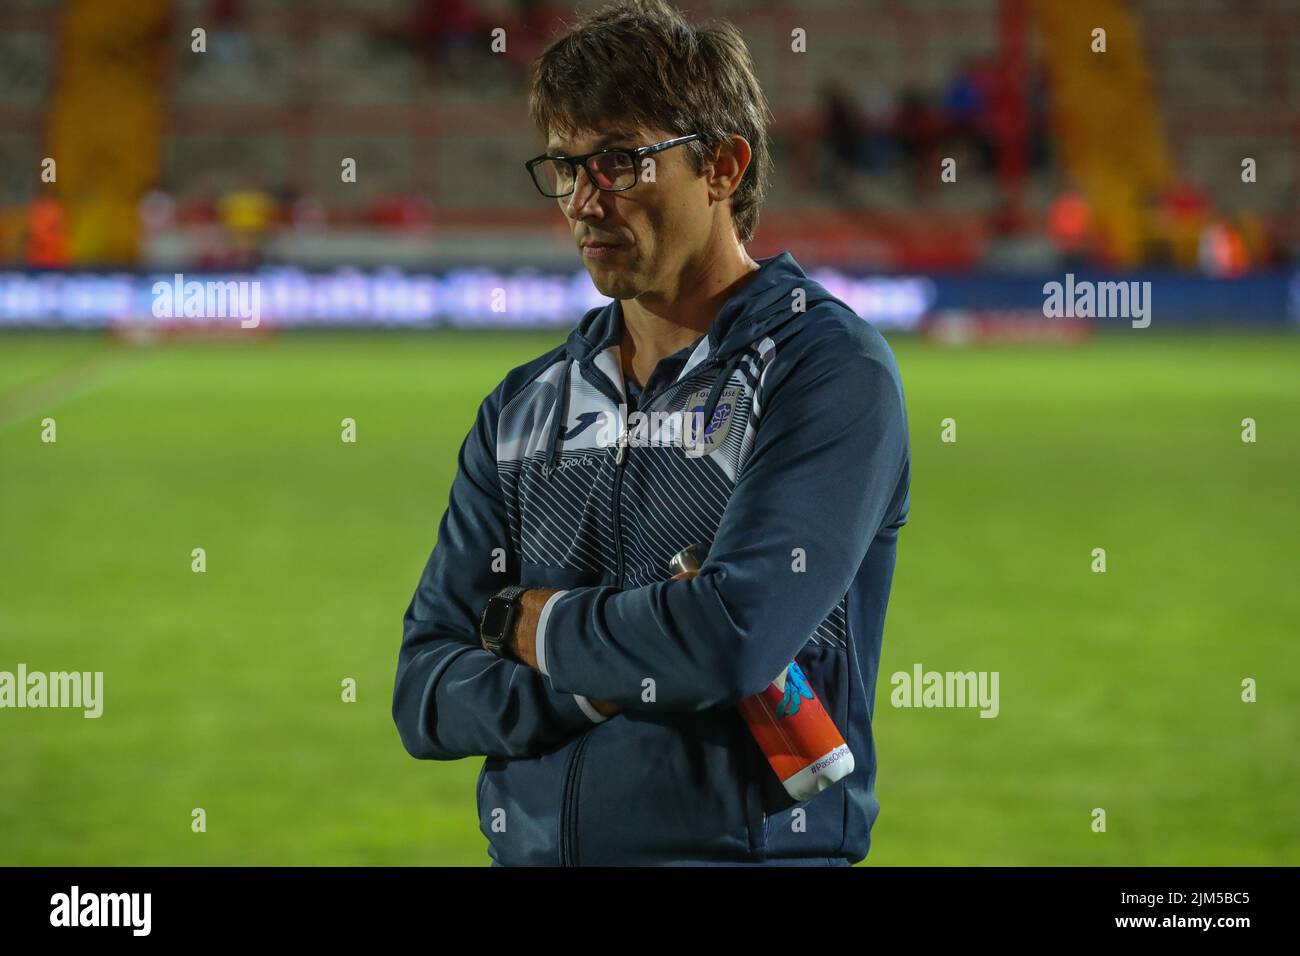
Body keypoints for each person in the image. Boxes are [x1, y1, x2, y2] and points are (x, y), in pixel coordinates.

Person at [392, 0, 911, 866]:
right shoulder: (523, 405)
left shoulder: (822, 371)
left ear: (722, 166)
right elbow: (424, 695)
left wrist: (529, 625)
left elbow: (728, 641)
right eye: (564, 167)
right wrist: (603, 682)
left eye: (620, 161)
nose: (585, 200)